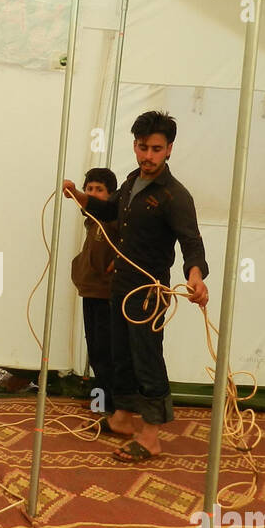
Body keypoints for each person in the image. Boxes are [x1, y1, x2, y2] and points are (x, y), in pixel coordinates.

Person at [63, 110, 209, 462]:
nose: (148, 156)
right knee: (122, 355)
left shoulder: (175, 195)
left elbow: (191, 241)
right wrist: (79, 195)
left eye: (156, 149)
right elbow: (108, 211)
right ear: (134, 145)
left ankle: (151, 436)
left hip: (148, 291)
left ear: (169, 149)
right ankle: (122, 418)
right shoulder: (130, 183)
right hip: (121, 286)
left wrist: (195, 275)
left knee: (147, 359)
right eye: (143, 147)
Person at [70, 168, 118, 419]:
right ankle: (98, 402)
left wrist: (118, 260)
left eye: (99, 190)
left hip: (106, 293)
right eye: (89, 189)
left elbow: (130, 242)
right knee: (95, 350)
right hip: (90, 290)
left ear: (111, 195)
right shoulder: (92, 221)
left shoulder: (113, 220)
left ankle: (110, 406)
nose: (92, 193)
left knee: (106, 351)